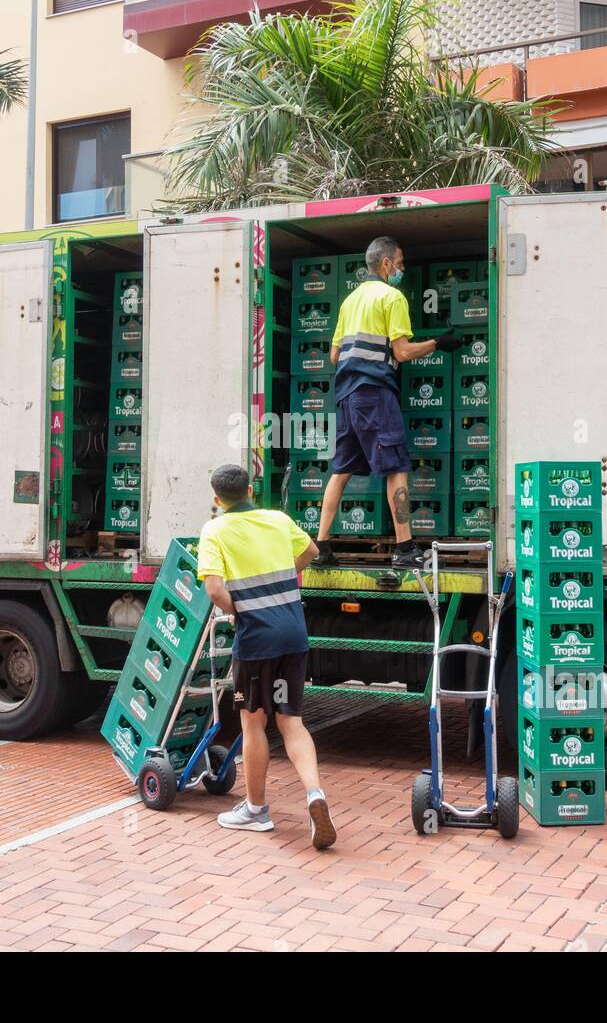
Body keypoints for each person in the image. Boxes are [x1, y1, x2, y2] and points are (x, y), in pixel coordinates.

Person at [196, 463, 335, 849]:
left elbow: (213, 589)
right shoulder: (277, 519)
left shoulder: (215, 530)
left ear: (217, 499)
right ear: (251, 491)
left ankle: (256, 809)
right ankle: (315, 794)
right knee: (291, 722)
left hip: (256, 640)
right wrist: (284, 579)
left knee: (253, 722)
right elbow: (310, 550)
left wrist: (236, 609)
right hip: (293, 632)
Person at [311, 235, 463, 569]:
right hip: (375, 394)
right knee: (395, 469)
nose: (402, 269)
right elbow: (403, 352)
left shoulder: (349, 301)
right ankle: (405, 548)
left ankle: (321, 547)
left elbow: (335, 356)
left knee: (341, 470)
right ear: (385, 264)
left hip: (347, 396)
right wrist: (439, 342)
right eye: (401, 262)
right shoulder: (391, 297)